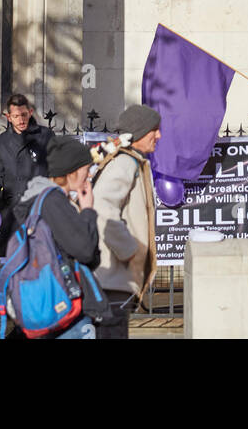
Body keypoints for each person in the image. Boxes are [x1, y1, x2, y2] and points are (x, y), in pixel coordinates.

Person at [12, 136, 103, 339]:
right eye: (85, 169)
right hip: (65, 307)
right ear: (71, 172)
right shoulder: (53, 201)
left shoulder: (36, 199)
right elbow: (86, 252)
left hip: (46, 300)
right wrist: (88, 211)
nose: (88, 175)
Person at [91, 103, 161, 339]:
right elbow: (101, 205)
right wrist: (128, 249)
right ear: (140, 132)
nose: (159, 135)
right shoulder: (125, 162)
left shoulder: (130, 161)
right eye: (155, 130)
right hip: (113, 279)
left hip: (116, 280)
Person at [0, 93, 51, 241]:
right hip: (11, 213)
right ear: (8, 117)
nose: (21, 120)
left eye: (24, 115)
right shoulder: (1, 142)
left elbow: (55, 169)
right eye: (16, 116)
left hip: (39, 209)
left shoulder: (46, 136)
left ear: (30, 112)